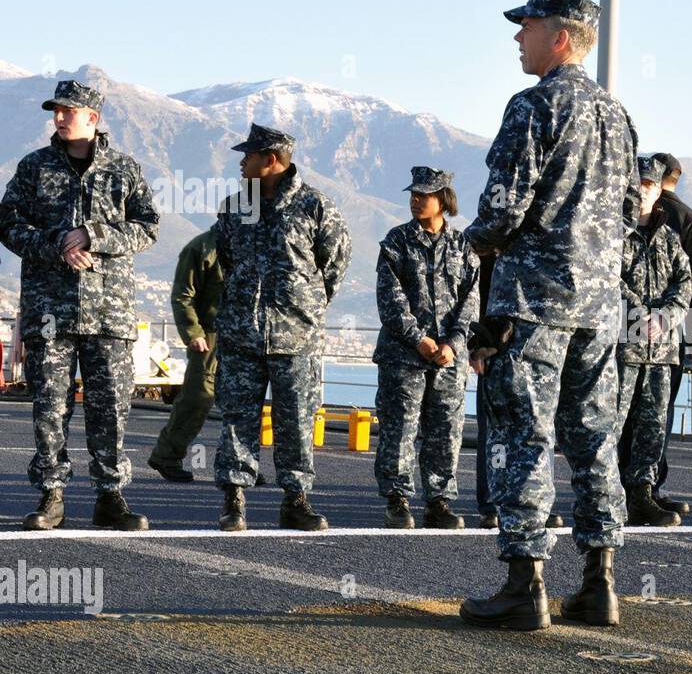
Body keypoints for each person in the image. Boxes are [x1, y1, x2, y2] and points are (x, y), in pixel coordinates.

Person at [459, 0, 640, 632]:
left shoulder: (533, 106)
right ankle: (600, 585)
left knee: (525, 439)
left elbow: (504, 210)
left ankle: (524, 584)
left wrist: (467, 247)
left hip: (533, 302)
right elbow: (631, 215)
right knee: (596, 444)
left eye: (527, 26)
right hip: (599, 308)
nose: (517, 36)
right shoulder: (616, 117)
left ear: (559, 36)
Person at [0, 79, 159, 531]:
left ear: (93, 117)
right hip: (50, 309)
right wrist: (56, 245)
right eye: (56, 111)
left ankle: (111, 497)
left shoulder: (124, 170)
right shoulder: (34, 168)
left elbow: (148, 226)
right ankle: (52, 496)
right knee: (50, 404)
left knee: (110, 405)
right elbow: (8, 224)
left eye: (69, 111)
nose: (59, 117)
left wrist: (97, 236)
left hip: (109, 312)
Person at [213, 124, 352, 532]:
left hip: (296, 338)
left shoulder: (315, 206)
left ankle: (296, 499)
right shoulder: (235, 207)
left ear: (271, 160)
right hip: (242, 334)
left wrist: (304, 306)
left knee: (296, 420)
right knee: (238, 419)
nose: (241, 162)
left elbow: (334, 263)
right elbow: (227, 261)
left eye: (249, 155)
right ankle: (234, 500)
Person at [372, 167, 479, 530]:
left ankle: (439, 501)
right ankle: (397, 499)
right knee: (399, 427)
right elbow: (390, 298)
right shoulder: (396, 241)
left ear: (443, 200)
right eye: (413, 194)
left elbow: (471, 300)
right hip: (404, 355)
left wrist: (455, 342)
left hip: (449, 358)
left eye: (424, 195)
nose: (415, 200)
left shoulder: (463, 246)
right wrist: (419, 338)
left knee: (445, 430)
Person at [617, 156, 692, 527]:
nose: (644, 190)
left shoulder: (669, 238)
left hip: (661, 349)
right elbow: (608, 281)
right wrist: (639, 313)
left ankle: (641, 495)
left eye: (650, 184)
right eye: (639, 183)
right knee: (614, 423)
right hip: (622, 346)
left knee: (653, 425)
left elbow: (685, 283)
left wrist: (665, 317)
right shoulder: (614, 234)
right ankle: (609, 494)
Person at [471, 251, 564, 532]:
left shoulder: (548, 242)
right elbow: (479, 295)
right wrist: (481, 342)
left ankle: (534, 503)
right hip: (498, 350)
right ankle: (494, 503)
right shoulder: (491, 250)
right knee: (497, 433)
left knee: (539, 431)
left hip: (540, 350)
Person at [648, 151, 692, 515]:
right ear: (678, 176)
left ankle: (625, 486)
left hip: (626, 331)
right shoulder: (689, 219)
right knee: (660, 414)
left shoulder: (624, 210)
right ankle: (652, 486)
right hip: (669, 336)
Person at [148, 225, 222, 482]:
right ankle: (166, 455)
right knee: (197, 399)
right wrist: (194, 333)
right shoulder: (203, 247)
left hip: (246, 335)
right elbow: (183, 295)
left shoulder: (254, 245)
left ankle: (240, 464)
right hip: (211, 336)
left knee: (242, 406)